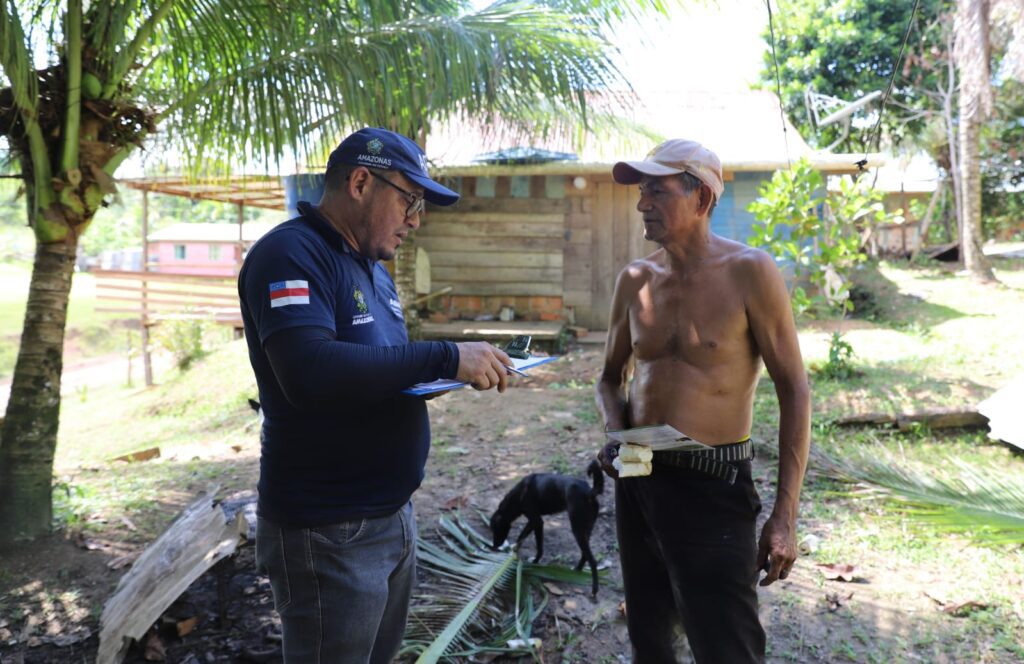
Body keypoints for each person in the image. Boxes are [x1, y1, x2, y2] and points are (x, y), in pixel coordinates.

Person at [238, 127, 513, 663]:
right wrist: (445, 357)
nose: (416, 219)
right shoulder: (290, 254)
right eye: (410, 200)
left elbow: (375, 371)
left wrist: (440, 378)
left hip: (391, 516)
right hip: (329, 529)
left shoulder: (373, 269)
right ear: (361, 182)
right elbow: (309, 371)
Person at [594, 138, 811, 663]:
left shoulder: (749, 272)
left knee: (726, 645)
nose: (643, 204)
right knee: (650, 636)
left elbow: (794, 389)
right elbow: (608, 379)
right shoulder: (635, 280)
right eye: (641, 192)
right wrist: (617, 435)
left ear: (703, 198)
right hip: (639, 475)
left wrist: (785, 515)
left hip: (713, 482)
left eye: (658, 192)